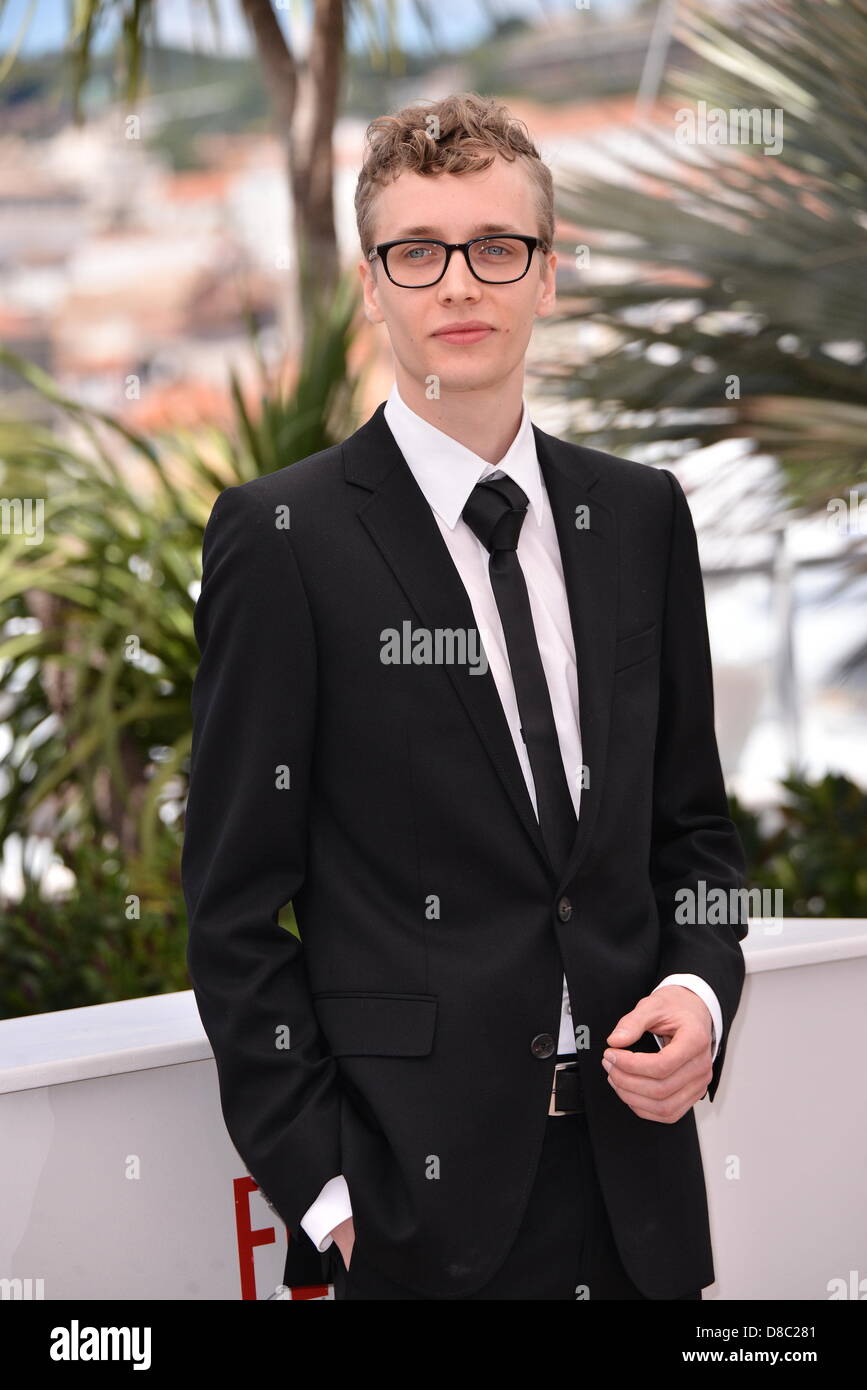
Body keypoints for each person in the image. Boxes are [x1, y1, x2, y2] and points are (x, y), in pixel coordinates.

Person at [182, 92, 748, 1301]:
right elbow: (233, 911)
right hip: (413, 1223)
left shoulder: (640, 515)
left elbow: (692, 830)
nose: (459, 285)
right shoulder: (282, 539)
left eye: (498, 248)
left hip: (640, 1196)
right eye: (418, 253)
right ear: (373, 284)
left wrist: (702, 991)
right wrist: (332, 1197)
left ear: (546, 275)